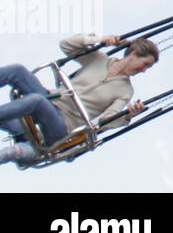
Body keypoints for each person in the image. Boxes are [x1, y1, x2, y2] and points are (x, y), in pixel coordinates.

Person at [0, 33, 157, 165]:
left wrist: (127, 115)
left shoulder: (126, 91)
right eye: (145, 64)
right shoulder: (99, 60)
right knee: (18, 71)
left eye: (147, 68)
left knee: (36, 101)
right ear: (133, 53)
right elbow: (66, 45)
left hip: (62, 126)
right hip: (51, 99)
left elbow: (107, 119)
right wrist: (98, 40)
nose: (143, 71)